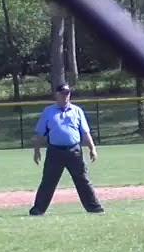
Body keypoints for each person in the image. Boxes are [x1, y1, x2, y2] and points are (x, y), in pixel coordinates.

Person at [29, 83, 104, 216]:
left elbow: (85, 132)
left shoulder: (77, 111)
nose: (65, 96)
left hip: (74, 151)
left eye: (67, 94)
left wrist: (92, 148)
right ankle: (38, 210)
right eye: (62, 94)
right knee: (48, 181)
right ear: (56, 95)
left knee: (82, 180)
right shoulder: (48, 111)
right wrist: (36, 151)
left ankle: (94, 208)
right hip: (55, 152)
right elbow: (40, 134)